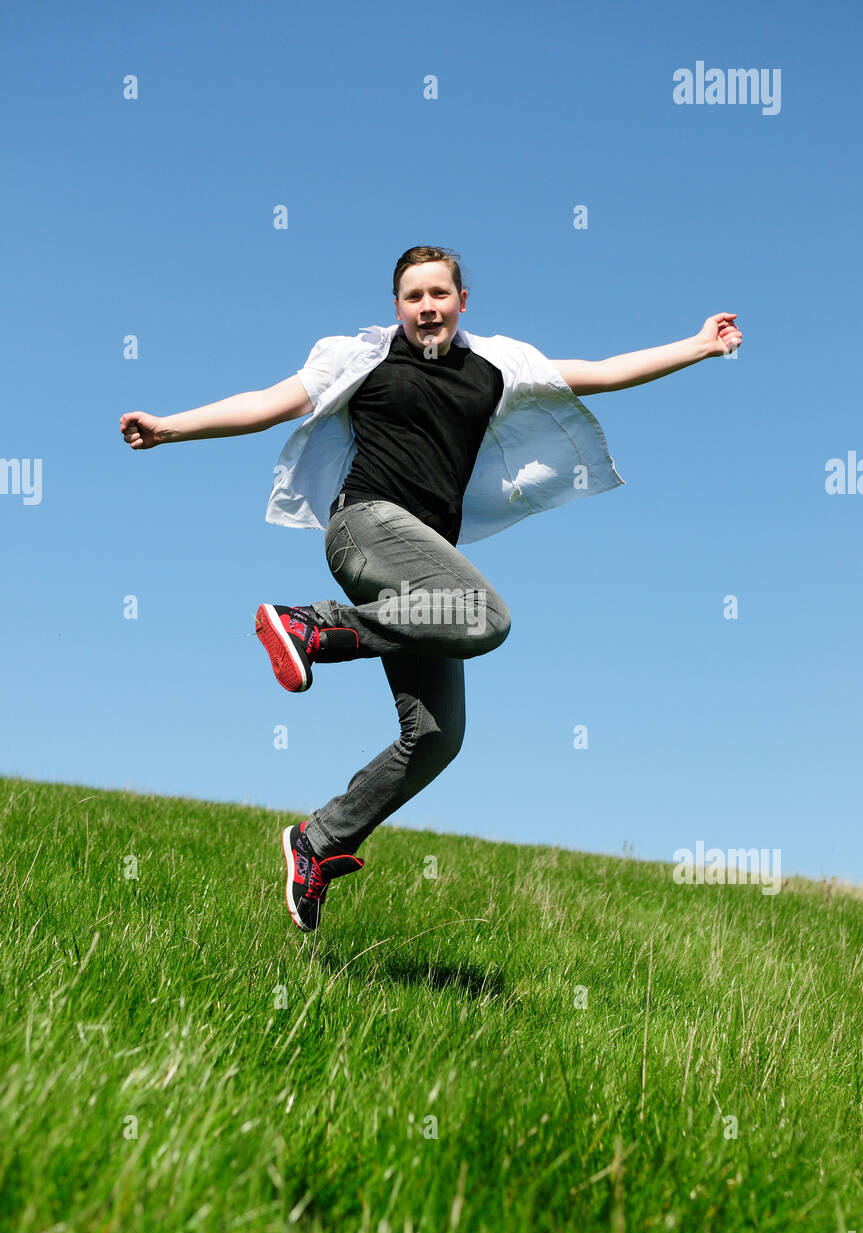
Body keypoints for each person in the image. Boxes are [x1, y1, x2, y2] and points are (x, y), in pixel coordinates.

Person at [121, 245, 742, 933]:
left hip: (426, 567)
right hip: (365, 528)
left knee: (436, 737)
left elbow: (596, 374)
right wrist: (169, 427)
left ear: (460, 301)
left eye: (438, 294)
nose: (426, 308)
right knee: (487, 615)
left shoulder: (497, 366)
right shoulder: (361, 357)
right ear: (396, 306)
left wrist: (697, 345)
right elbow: (269, 403)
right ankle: (313, 628)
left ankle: (320, 841)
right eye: (413, 297)